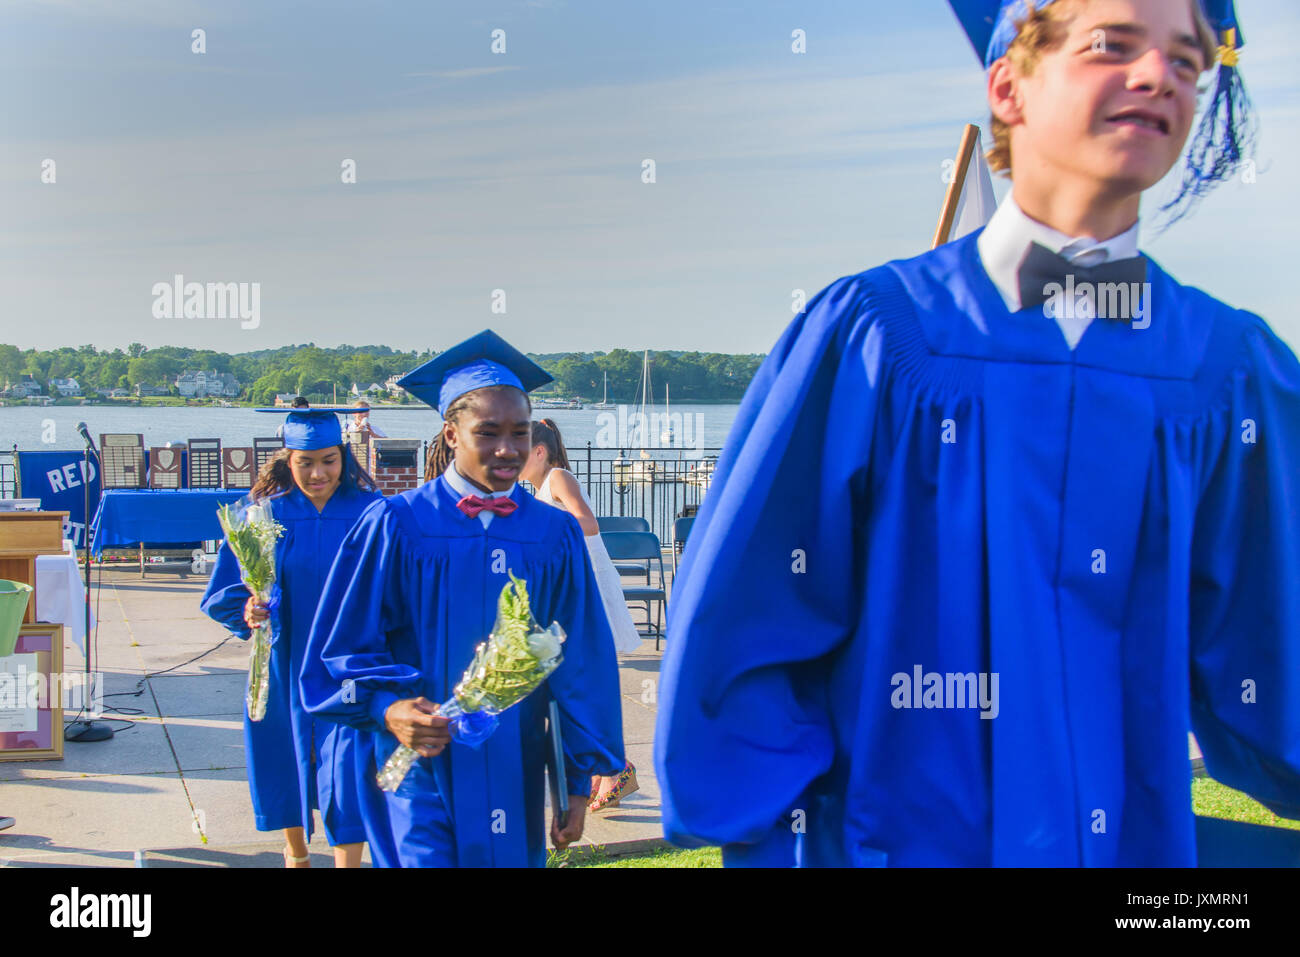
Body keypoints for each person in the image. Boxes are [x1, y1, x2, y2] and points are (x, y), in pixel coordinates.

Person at [656, 0, 1300, 867]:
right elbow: (747, 620)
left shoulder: (1223, 370)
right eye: (1114, 46)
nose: (1158, 76)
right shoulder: (877, 337)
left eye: (1187, 61)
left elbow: (1268, 645)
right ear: (1009, 85)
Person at [301, 330, 625, 867]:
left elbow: (581, 659)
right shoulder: (397, 523)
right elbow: (341, 647)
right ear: (451, 434)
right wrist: (388, 707)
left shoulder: (553, 533)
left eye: (520, 433)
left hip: (513, 758)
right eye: (488, 432)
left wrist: (575, 776)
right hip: (418, 756)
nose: (507, 449)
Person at [200, 408, 385, 868]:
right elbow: (225, 590)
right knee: (283, 751)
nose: (318, 473)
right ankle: (295, 855)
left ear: (343, 458)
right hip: (284, 658)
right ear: (288, 461)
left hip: (349, 663)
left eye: (328, 460)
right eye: (306, 462)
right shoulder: (262, 516)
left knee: (350, 765)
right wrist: (247, 608)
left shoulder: (372, 511)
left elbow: (396, 587)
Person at [520, 417, 642, 813]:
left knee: (583, 682)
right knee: (575, 683)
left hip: (583, 584)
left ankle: (617, 768)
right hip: (565, 586)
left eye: (522, 450)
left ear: (539, 451)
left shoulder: (557, 477)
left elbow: (588, 522)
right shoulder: (540, 486)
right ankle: (601, 768)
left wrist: (543, 525)